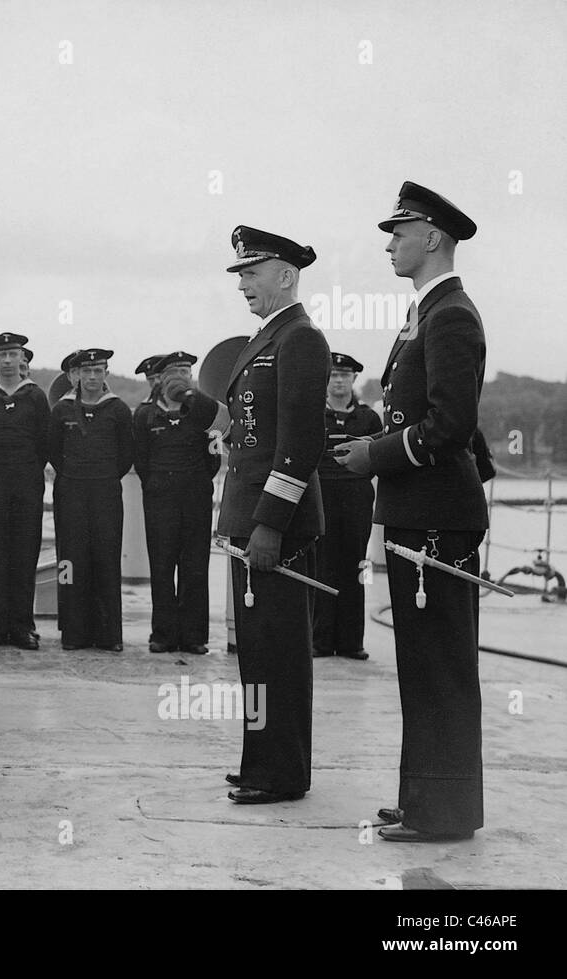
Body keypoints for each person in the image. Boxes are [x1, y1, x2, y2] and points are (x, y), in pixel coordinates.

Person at [336, 182, 486, 842]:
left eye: (399, 232)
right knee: (420, 668)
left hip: (436, 516)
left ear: (433, 238)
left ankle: (444, 812)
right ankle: (424, 796)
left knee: (440, 669)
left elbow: (449, 427)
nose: (389, 243)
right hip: (417, 511)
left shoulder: (450, 315)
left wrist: (377, 455)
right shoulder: (424, 314)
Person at [169, 226, 329, 805]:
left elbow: (299, 440)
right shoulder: (267, 338)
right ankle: (261, 762)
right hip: (247, 517)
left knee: (280, 653)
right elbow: (252, 433)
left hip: (273, 524)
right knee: (257, 652)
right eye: (239, 274)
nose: (243, 284)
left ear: (285, 275)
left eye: (252, 273)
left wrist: (269, 523)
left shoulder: (300, 339)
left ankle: (282, 773)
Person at [131, 351, 220, 654]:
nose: (182, 376)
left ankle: (194, 636)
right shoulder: (145, 414)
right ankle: (163, 634)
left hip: (196, 496)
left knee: (195, 566)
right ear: (162, 376)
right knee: (162, 565)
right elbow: (140, 459)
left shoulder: (203, 411)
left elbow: (214, 457)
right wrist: (158, 484)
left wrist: (195, 481)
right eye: (175, 370)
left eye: (186, 370)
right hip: (160, 499)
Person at [0, 332, 50, 649]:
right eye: (1, 355)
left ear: (23, 359)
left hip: (27, 485)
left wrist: (28, 471)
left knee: (25, 554)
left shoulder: (35, 397)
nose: (7, 360)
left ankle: (23, 627)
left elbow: (45, 442)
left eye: (13, 354)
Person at [49, 348, 135, 651]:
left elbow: (127, 454)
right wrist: (74, 474)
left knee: (106, 559)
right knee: (71, 561)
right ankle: (74, 633)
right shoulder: (61, 411)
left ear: (106, 374)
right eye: (87, 371)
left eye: (98, 371)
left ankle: (109, 635)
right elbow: (52, 450)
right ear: (76, 375)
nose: (92, 377)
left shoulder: (118, 410)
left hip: (105, 493)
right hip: (71, 491)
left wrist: (105, 475)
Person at [313, 352, 381, 660]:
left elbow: (377, 458)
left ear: (353, 379)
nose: (338, 381)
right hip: (324, 495)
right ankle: (321, 639)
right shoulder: (314, 415)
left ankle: (352, 641)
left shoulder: (368, 418)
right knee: (323, 565)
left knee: (356, 566)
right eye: (333, 375)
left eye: (344, 375)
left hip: (356, 496)